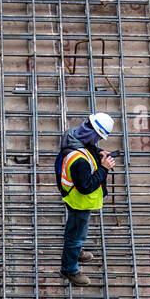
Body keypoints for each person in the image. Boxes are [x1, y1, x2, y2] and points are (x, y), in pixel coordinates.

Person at [54, 112, 116, 288]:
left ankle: (76, 251)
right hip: (79, 201)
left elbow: (88, 146)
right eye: (98, 138)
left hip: (71, 194)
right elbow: (86, 186)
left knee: (76, 232)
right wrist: (104, 168)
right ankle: (69, 269)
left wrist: (98, 152)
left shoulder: (73, 134)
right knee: (75, 235)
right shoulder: (80, 161)